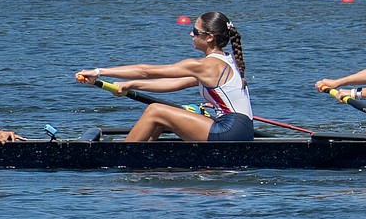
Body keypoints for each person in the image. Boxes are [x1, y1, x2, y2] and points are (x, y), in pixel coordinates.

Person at [75, 11, 254, 142]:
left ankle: (120, 155)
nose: (191, 34)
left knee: (155, 111)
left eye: (195, 31)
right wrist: (129, 85)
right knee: (161, 120)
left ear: (209, 38)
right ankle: (142, 159)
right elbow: (173, 84)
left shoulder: (206, 65)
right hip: (242, 130)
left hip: (230, 130)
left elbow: (146, 71)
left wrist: (99, 72)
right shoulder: (225, 62)